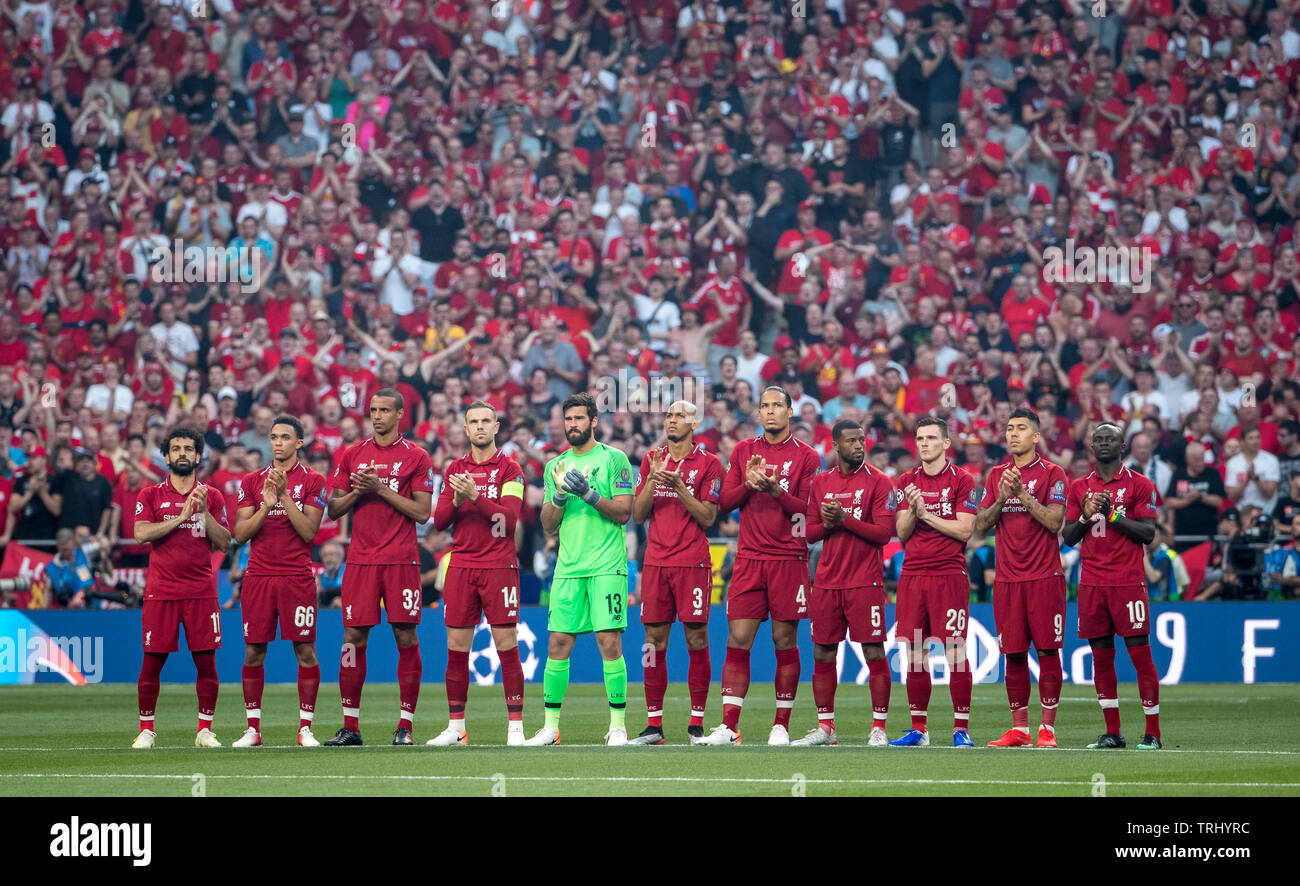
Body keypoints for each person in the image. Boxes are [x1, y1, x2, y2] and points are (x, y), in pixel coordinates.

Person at [699, 385, 821, 746]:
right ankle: (728, 727)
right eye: (764, 406)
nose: (770, 412)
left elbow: (807, 510)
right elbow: (724, 503)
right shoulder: (743, 451)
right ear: (758, 413)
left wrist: (773, 490)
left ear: (789, 412)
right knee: (738, 639)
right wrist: (752, 485)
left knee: (784, 639)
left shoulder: (808, 457)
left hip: (788, 558)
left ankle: (781, 724)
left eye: (777, 406)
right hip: (749, 557)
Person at [323, 389, 434, 746]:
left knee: (405, 636)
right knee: (353, 638)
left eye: (385, 410)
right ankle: (350, 727)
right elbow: (335, 509)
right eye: (373, 410)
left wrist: (380, 487)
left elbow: (422, 513)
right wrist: (360, 491)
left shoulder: (416, 456)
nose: (377, 416)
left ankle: (405, 726)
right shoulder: (352, 454)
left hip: (401, 559)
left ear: (400, 413)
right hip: (360, 561)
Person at [528, 393, 635, 746]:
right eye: (567, 419)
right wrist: (558, 497)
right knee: (558, 643)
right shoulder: (554, 466)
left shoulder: (614, 459)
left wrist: (589, 494)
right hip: (568, 568)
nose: (572, 425)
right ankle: (550, 728)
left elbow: (624, 513)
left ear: (594, 421)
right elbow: (547, 524)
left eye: (578, 418)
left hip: (606, 565)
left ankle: (618, 725)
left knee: (609, 641)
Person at [427, 401, 528, 747]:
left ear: (497, 426)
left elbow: (508, 521)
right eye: (474, 422)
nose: (480, 427)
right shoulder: (455, 468)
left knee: (506, 645)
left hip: (499, 567)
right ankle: (457, 728)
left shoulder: (511, 470)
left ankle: (515, 728)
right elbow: (438, 522)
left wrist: (474, 497)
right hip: (462, 567)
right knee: (456, 649)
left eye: (486, 421)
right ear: (466, 429)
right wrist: (457, 498)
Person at [790, 419, 896, 747]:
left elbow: (883, 534)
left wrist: (844, 519)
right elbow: (808, 533)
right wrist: (828, 522)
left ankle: (879, 727)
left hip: (865, 582)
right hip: (826, 582)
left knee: (874, 651)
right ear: (836, 445)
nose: (858, 446)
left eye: (861, 440)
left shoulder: (880, 483)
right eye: (850, 441)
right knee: (823, 653)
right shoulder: (820, 483)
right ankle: (826, 728)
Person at [1061, 423, 1162, 750]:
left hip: (1128, 583)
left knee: (1140, 658)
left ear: (1122, 446)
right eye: (1099, 439)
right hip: (1091, 583)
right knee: (1101, 659)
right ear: (1092, 446)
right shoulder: (1079, 487)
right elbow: (1068, 537)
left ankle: (1153, 734)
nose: (1104, 443)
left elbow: (1149, 534)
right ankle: (1112, 733)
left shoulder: (1141, 484)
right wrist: (1085, 517)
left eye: (1111, 439)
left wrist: (1114, 516)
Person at [130, 427, 233, 749]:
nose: (183, 453)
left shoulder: (211, 496)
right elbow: (141, 534)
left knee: (206, 662)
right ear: (167, 456)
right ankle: (147, 730)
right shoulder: (150, 495)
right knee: (152, 662)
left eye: (189, 448)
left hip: (201, 590)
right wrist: (182, 517)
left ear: (199, 456)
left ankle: (204, 730)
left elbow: (225, 543)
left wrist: (203, 513)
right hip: (162, 591)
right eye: (176, 449)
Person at [230, 415, 328, 748]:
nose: (277, 443)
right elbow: (239, 535)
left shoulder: (314, 481)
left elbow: (309, 532)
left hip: (297, 577)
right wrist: (265, 507)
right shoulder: (250, 481)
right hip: (258, 576)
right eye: (273, 437)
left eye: (285, 437)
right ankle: (253, 730)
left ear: (299, 442)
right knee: (254, 652)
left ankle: (305, 729)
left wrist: (284, 498)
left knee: (306, 651)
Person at [630, 400, 723, 745]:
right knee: (653, 643)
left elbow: (709, 518)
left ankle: (696, 724)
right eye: (668, 415)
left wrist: (680, 486)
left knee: (696, 639)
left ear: (694, 422)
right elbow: (638, 515)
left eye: (679, 415)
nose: (672, 420)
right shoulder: (651, 459)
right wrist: (654, 479)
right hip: (655, 563)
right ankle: (654, 726)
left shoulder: (709, 464)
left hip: (692, 563)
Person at [976, 408, 1069, 748]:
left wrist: (1023, 496)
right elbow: (981, 524)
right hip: (1008, 580)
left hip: (1044, 577)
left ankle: (1047, 729)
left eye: (1021, 429)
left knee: (1047, 652)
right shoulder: (996, 474)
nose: (1013, 434)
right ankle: (1020, 729)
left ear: (1036, 437)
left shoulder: (1053, 473)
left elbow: (1055, 522)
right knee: (1013, 654)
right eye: (1009, 428)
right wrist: (1003, 496)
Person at [889, 417, 979, 748]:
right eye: (919, 438)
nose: (923, 443)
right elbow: (900, 531)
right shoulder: (906, 481)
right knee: (914, 652)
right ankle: (919, 729)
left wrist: (926, 513)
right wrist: (913, 510)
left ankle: (960, 729)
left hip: (949, 575)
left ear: (945, 443)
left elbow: (965, 530)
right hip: (913, 576)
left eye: (930, 438)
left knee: (955, 650)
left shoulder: (963, 480)